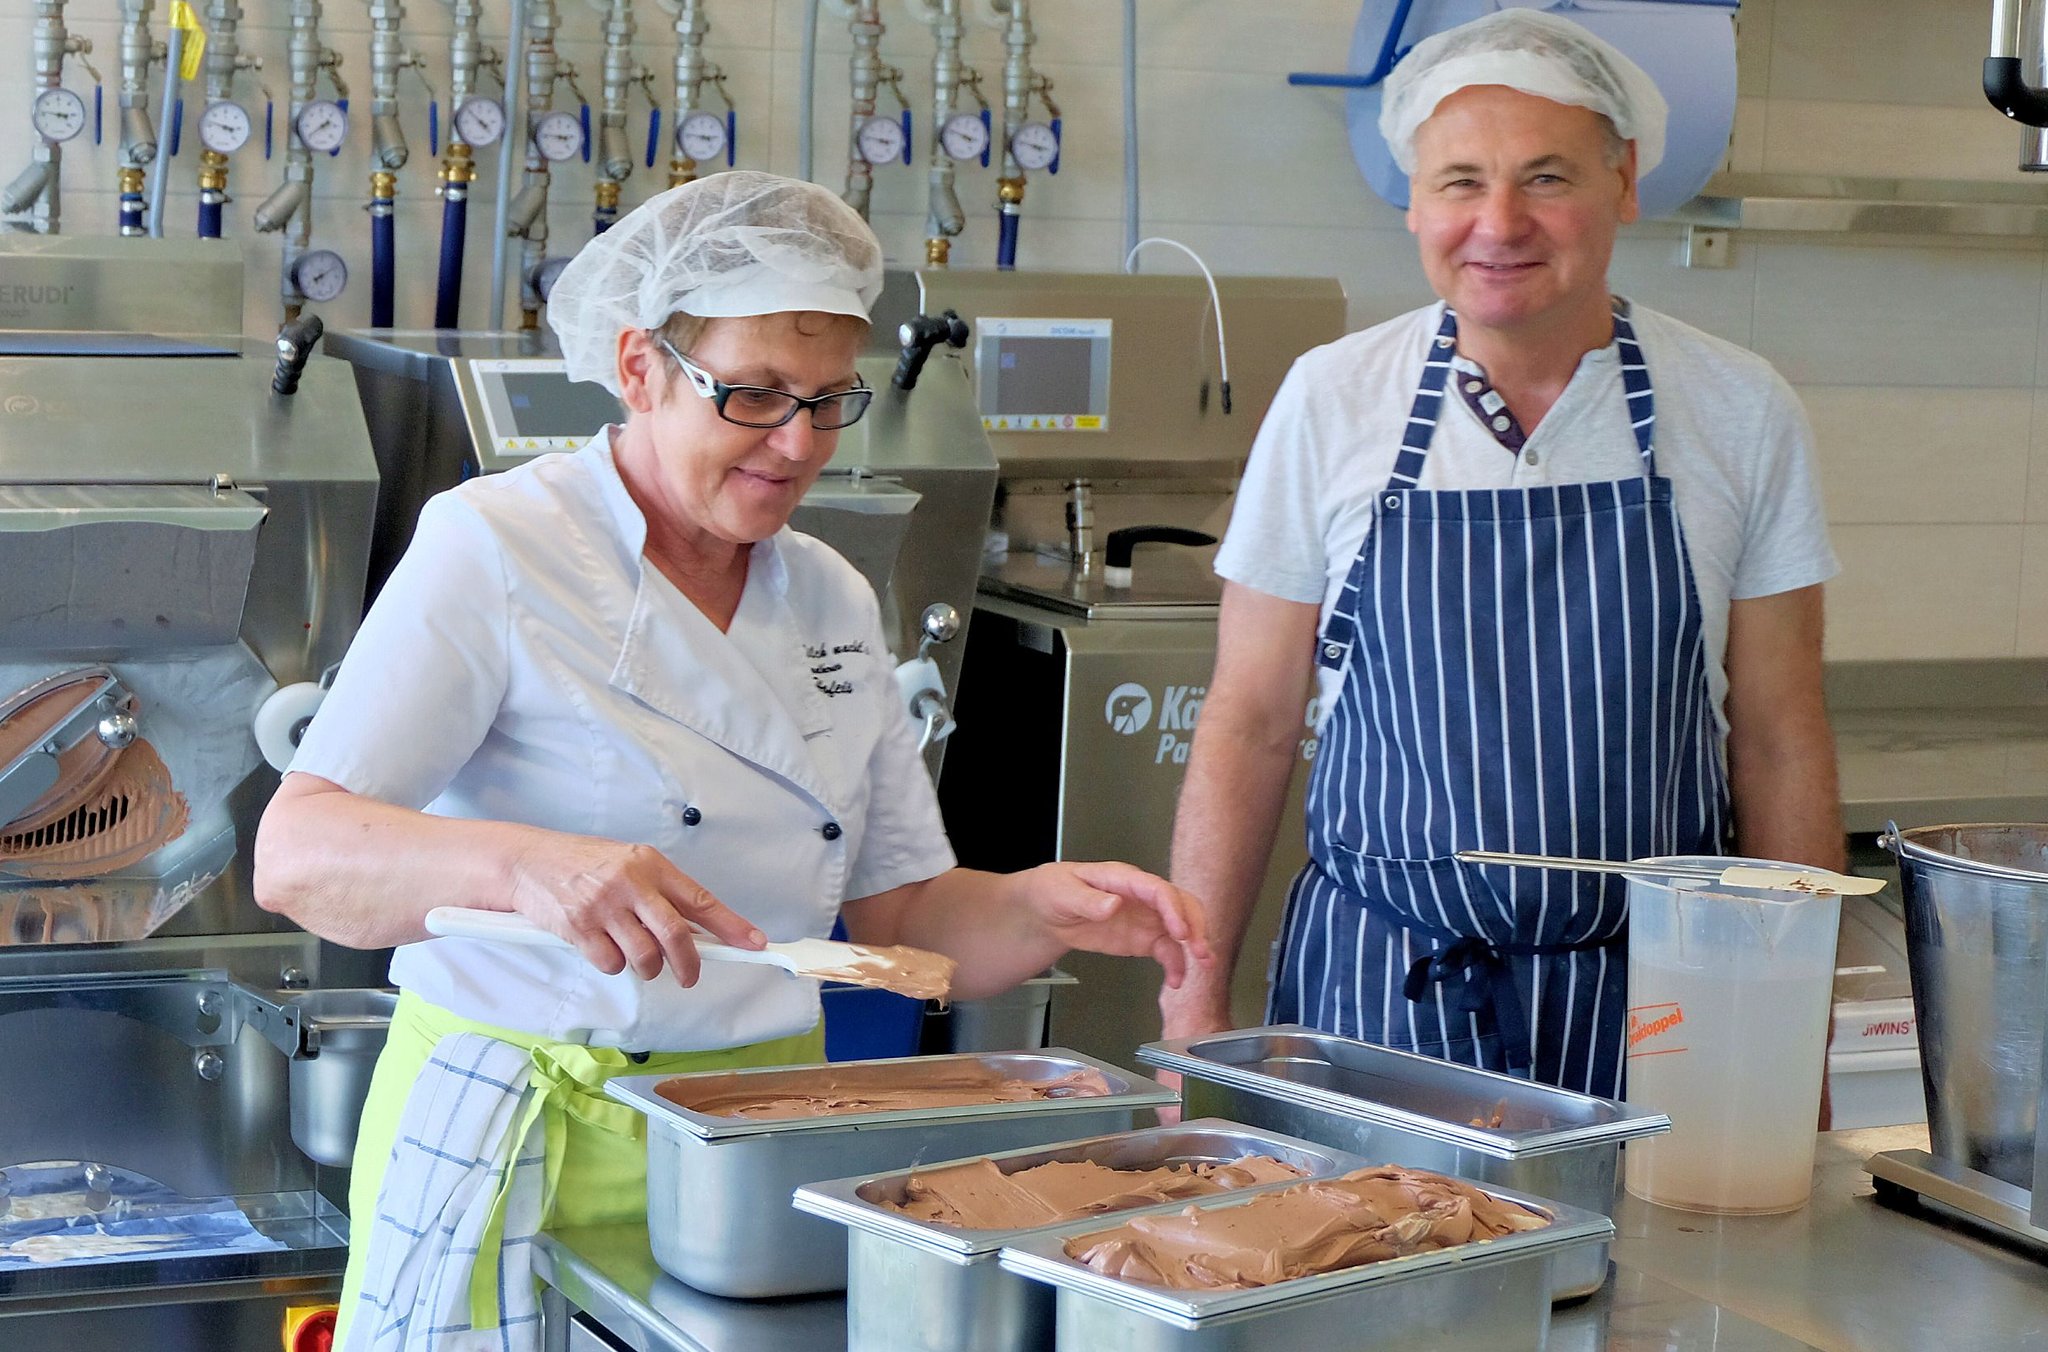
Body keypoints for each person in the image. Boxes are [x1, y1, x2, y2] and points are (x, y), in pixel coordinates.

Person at [253, 171, 1210, 1350]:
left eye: (826, 401)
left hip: (759, 1145)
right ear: (641, 366)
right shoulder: (497, 545)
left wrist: (1034, 905)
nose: (797, 442)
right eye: (752, 395)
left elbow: (895, 914)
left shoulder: (830, 592)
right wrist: (529, 868)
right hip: (514, 1136)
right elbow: (298, 853)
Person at [1157, 9, 1842, 1099]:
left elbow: (1775, 739)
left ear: (1621, 184)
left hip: (1652, 1006)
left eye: (1546, 177)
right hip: (1376, 998)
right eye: (1459, 181)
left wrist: (1788, 1029)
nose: (1499, 222)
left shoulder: (1735, 406)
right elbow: (1248, 719)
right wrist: (1193, 999)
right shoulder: (1332, 398)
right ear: (1412, 201)